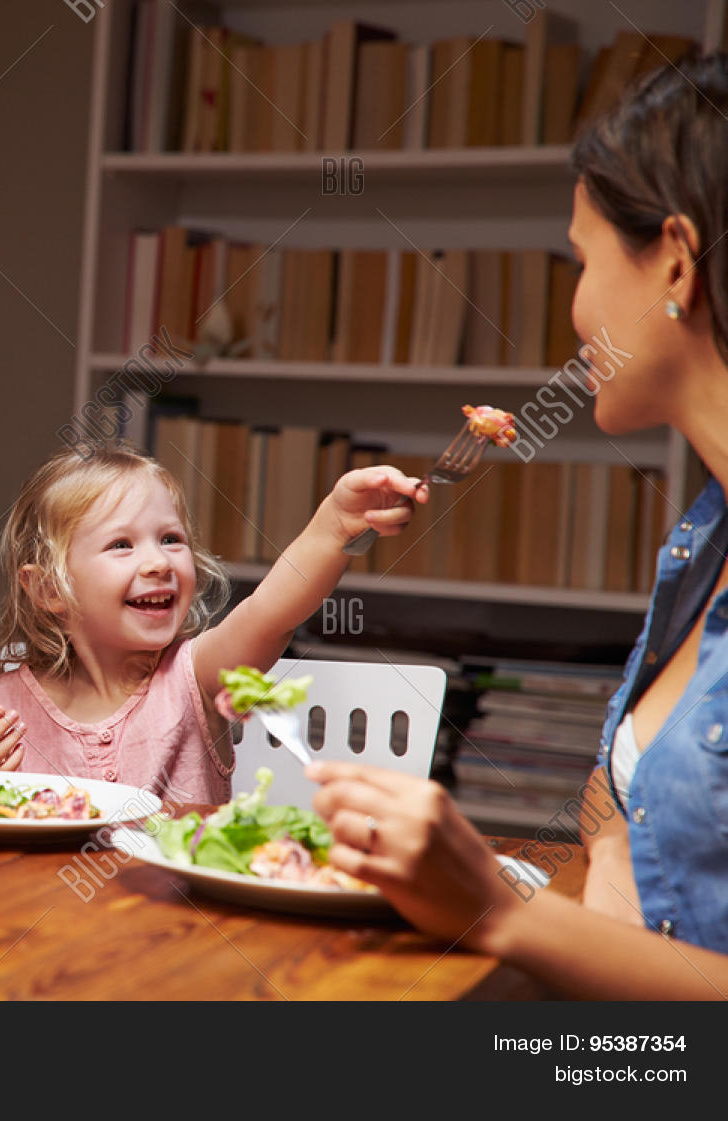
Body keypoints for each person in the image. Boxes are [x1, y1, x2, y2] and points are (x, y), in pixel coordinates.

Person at [311, 54, 728, 998]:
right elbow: (622, 820)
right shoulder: (702, 544)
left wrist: (499, 911)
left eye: (581, 261)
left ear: (674, 259)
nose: (574, 311)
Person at [0, 444, 424, 801]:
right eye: (121, 545)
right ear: (49, 590)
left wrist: (335, 524)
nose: (158, 562)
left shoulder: (196, 675)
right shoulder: (5, 707)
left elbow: (271, 613)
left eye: (170, 539)